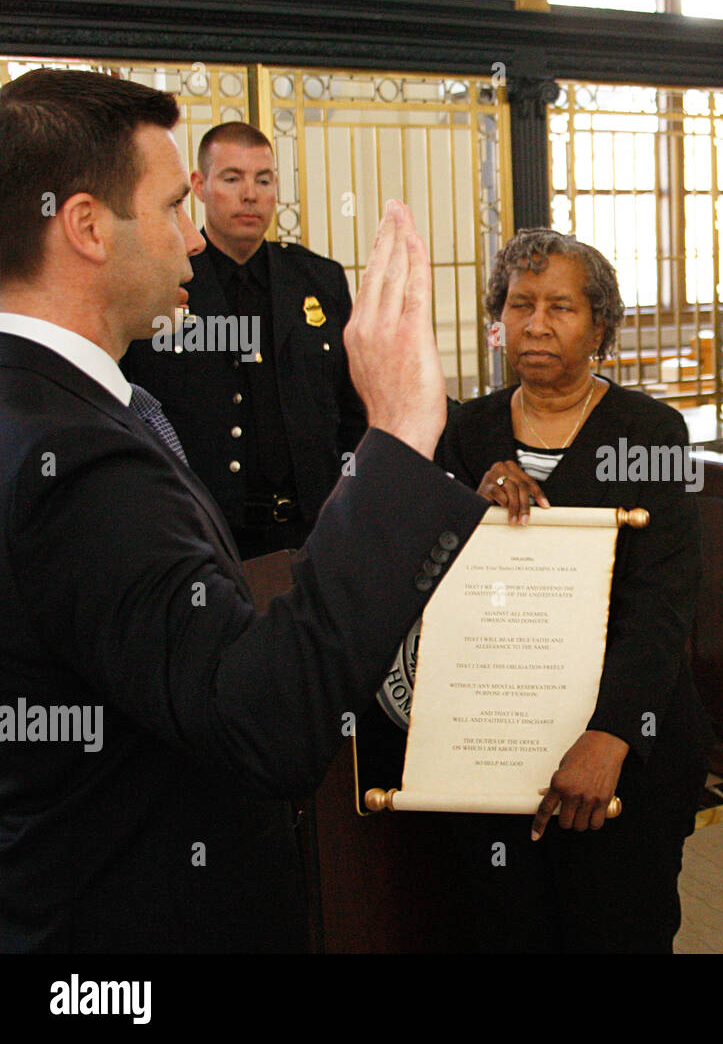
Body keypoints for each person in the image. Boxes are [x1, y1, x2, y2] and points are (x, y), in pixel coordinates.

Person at [0, 68, 486, 953]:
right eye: (174, 204)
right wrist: (403, 437)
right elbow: (264, 723)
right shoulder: (78, 460)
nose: (192, 238)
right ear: (85, 228)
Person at [433, 228, 711, 953]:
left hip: (622, 747)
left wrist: (612, 733)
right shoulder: (467, 430)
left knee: (618, 927)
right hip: (495, 737)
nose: (535, 323)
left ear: (600, 326)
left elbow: (665, 599)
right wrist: (469, 502)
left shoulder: (651, 430)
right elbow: (429, 573)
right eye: (519, 304)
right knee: (508, 925)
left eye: (561, 306)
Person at [122, 122, 366, 557]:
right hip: (207, 534)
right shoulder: (166, 285)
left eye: (264, 179)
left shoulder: (318, 279)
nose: (250, 194)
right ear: (199, 186)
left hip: (314, 529)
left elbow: (351, 406)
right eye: (232, 178)